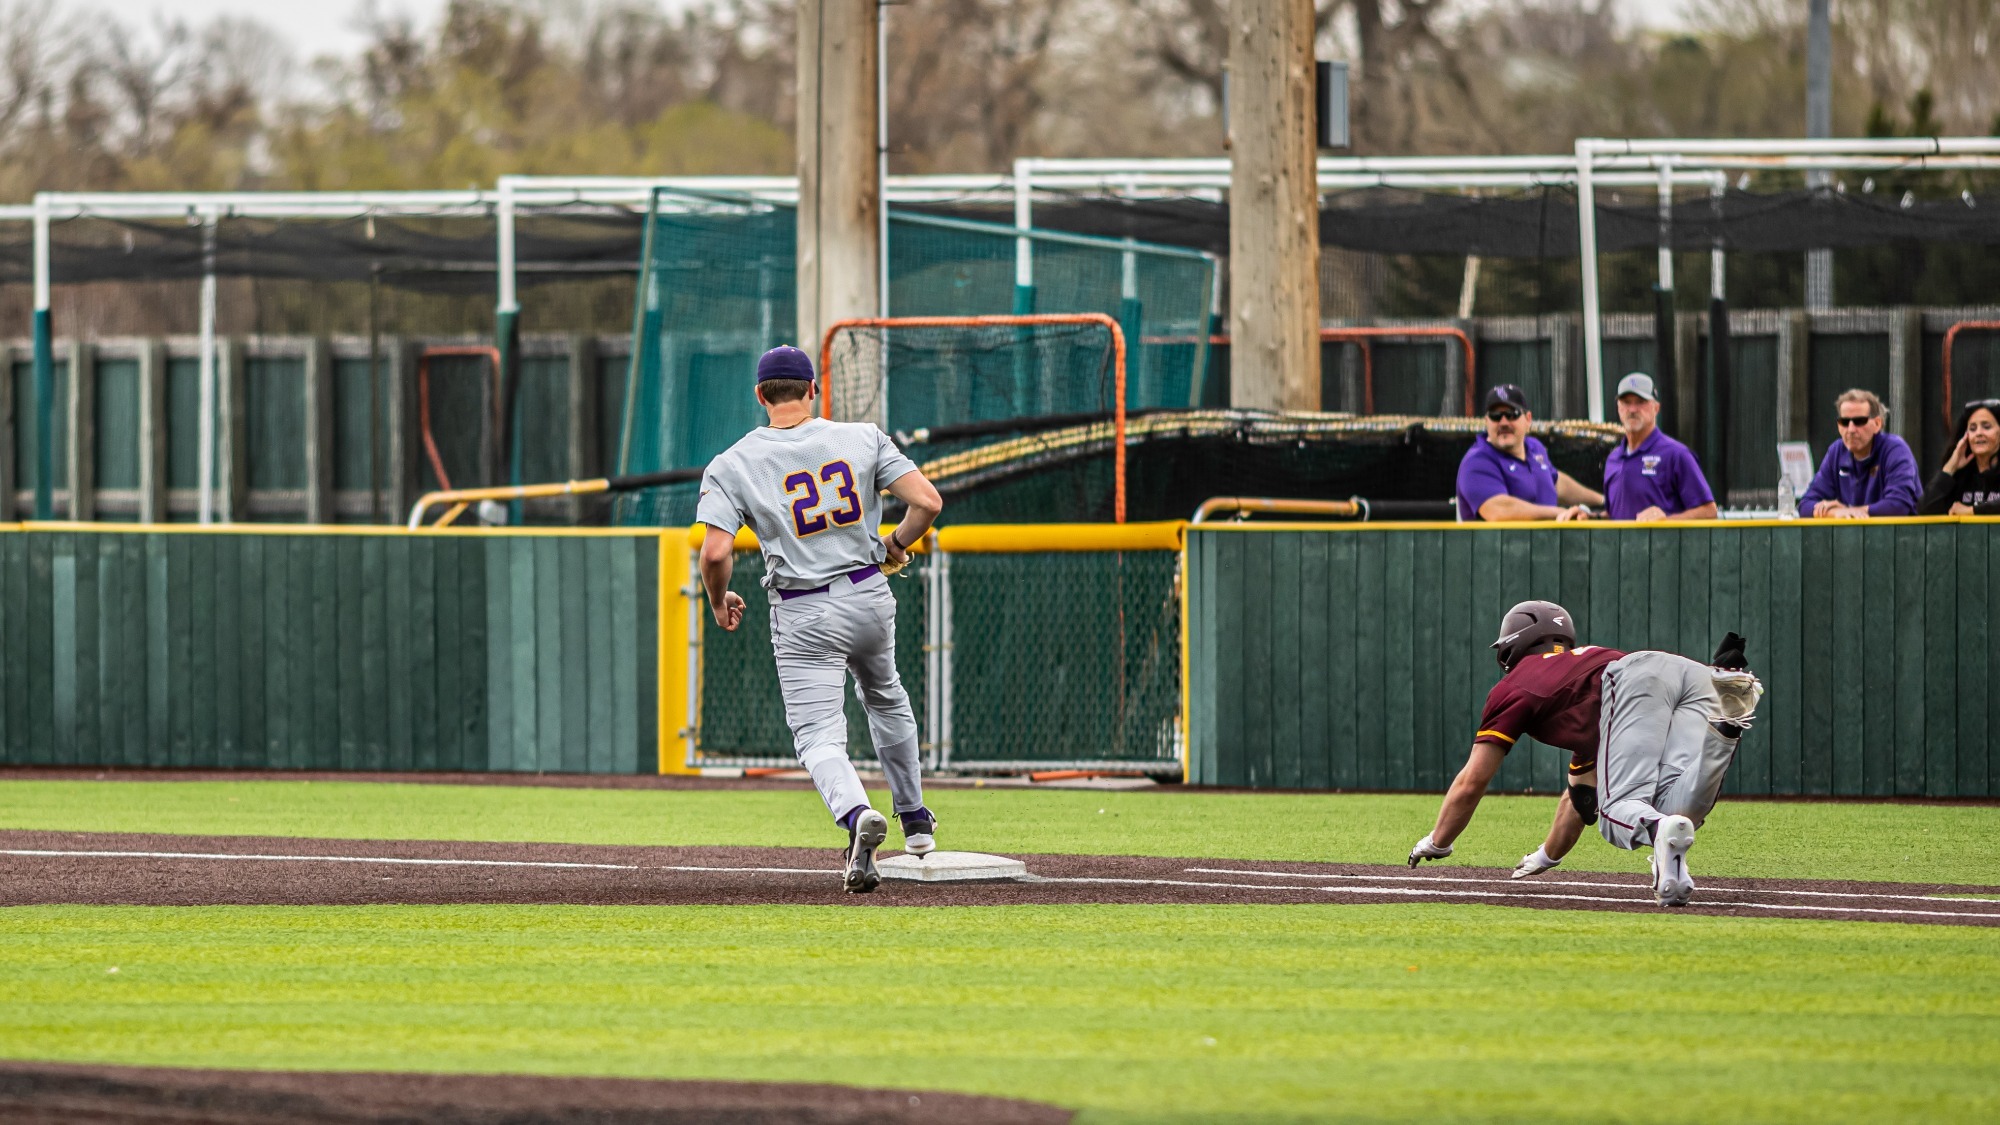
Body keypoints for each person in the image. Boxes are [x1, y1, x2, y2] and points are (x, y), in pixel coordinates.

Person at [695, 345, 945, 893]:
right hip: (868, 592)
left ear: (760, 396)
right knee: (886, 694)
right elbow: (927, 502)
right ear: (813, 389)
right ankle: (917, 820)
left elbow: (715, 555)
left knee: (818, 736)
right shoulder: (863, 436)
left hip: (804, 607)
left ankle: (858, 816)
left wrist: (718, 601)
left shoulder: (732, 462)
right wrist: (894, 547)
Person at [1405, 601, 1764, 907]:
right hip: (1691, 675)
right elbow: (1578, 797)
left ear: (1512, 646)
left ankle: (1657, 828)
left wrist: (1437, 842)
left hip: (1634, 679)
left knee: (1616, 810)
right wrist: (1546, 856)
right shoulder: (1577, 681)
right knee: (1678, 810)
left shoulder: (1516, 683)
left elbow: (1473, 781)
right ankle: (1725, 726)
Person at [1455, 384, 1605, 521]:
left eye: (1512, 414)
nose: (1504, 422)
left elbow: (1555, 482)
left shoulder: (1534, 447)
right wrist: (1559, 513)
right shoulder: (1477, 461)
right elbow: (1499, 511)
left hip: (1546, 546)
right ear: (1486, 421)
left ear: (1528, 419)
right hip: (1500, 550)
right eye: (1495, 416)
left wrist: (1603, 501)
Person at [1602, 372, 1717, 522]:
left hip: (1663, 545)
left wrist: (1666, 521)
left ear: (1656, 408)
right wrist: (1588, 516)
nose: (1632, 409)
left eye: (1640, 402)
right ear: (1618, 408)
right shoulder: (1613, 458)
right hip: (1619, 546)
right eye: (1626, 402)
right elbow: (1615, 514)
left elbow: (1709, 511)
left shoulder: (1676, 454)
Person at [1797, 388, 1921, 518]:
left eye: (1859, 421)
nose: (1851, 429)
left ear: (1877, 424)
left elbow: (1898, 506)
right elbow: (1805, 505)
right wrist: (1837, 512)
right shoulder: (1837, 451)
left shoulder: (1895, 449)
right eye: (1844, 422)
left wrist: (1849, 510)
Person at [1919, 399, 2000, 515]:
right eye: (1972, 429)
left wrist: (1971, 511)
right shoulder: (1960, 476)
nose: (1979, 433)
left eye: (1986, 427)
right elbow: (1925, 508)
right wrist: (1951, 466)